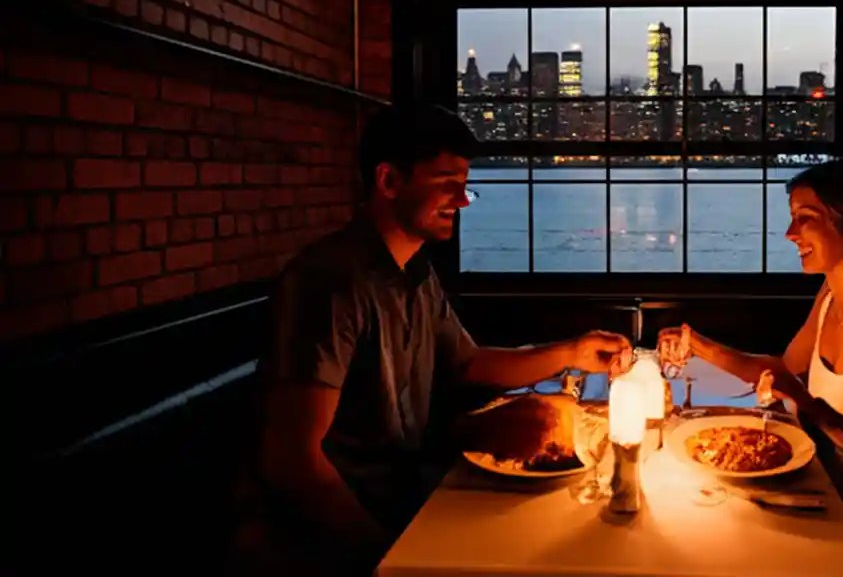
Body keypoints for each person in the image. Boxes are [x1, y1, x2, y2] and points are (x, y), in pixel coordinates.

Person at [227, 105, 630, 575]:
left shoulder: (415, 270)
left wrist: (572, 353)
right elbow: (292, 462)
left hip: (410, 497)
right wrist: (392, 555)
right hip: (329, 536)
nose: (462, 201)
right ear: (389, 182)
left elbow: (468, 364)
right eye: (446, 182)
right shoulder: (331, 283)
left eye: (465, 184)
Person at [659, 158, 843, 544]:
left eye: (806, 218)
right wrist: (697, 345)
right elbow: (782, 370)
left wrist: (812, 407)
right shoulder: (831, 296)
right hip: (838, 502)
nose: (789, 233)